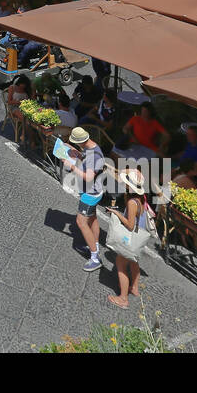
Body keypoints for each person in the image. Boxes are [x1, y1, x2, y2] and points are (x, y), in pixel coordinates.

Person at [63, 126, 106, 272]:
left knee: (81, 222)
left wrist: (72, 167)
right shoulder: (92, 147)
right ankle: (95, 244)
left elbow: (88, 177)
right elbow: (89, 161)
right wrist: (79, 155)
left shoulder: (94, 156)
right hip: (94, 191)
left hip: (90, 193)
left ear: (80, 142)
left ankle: (95, 258)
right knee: (92, 218)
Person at [106, 168, 149, 308]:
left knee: (120, 264)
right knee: (133, 261)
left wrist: (117, 214)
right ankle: (134, 288)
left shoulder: (131, 203)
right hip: (137, 240)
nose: (124, 185)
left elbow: (130, 225)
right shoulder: (141, 199)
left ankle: (123, 298)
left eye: (126, 183)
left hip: (129, 239)